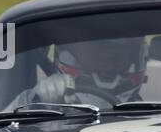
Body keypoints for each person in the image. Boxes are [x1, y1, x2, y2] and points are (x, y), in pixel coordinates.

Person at [11, 37, 146, 108]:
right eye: (96, 50)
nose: (107, 58)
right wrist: (34, 100)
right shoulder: (38, 104)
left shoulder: (152, 117)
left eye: (118, 52)